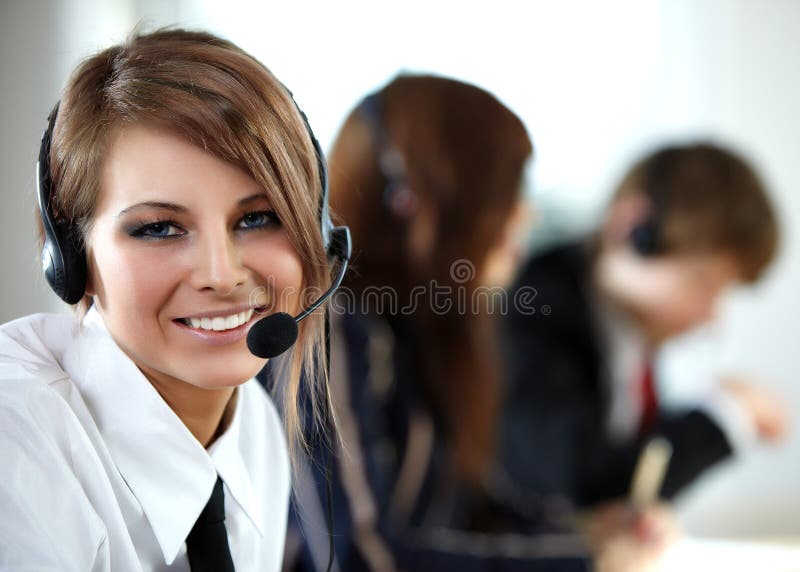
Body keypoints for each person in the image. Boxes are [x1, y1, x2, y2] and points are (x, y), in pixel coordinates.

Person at [276, 74, 674, 572]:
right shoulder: (330, 330)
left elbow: (470, 509)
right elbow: (360, 559)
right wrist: (582, 563)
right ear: (410, 201)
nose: (523, 216)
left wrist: (585, 532)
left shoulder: (424, 327)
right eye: (506, 193)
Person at [0, 29, 338, 571]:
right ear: (71, 255)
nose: (221, 275)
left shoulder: (254, 430)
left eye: (258, 218)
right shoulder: (15, 444)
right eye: (158, 228)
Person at [500, 142, 788, 509]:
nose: (711, 315)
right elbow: (572, 485)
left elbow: (618, 449)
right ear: (633, 227)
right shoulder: (535, 310)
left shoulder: (626, 333)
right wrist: (726, 414)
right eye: (702, 283)